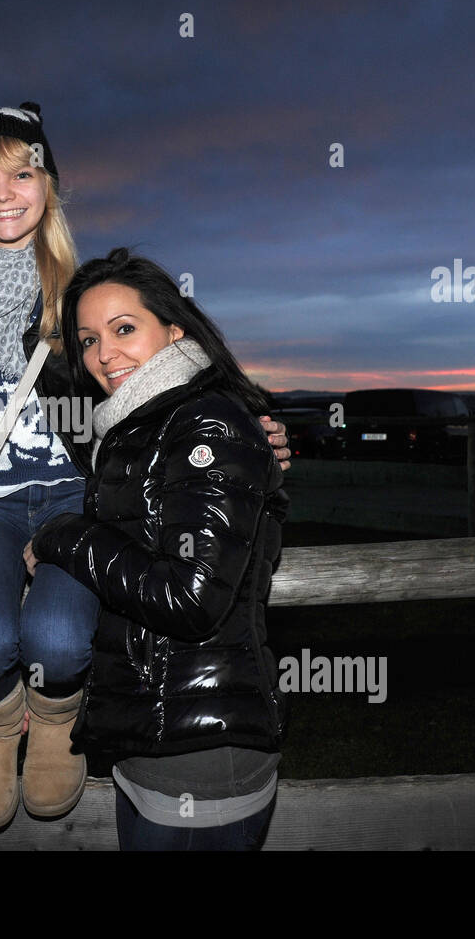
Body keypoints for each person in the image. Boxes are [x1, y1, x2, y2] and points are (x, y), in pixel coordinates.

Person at [0, 103, 291, 831]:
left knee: (63, 638)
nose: (4, 192)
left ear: (49, 185)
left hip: (80, 496)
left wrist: (249, 427)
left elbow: (158, 379)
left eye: (22, 171)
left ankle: (54, 726)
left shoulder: (79, 293)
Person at [26, 248, 288, 850]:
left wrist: (62, 534)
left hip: (200, 748)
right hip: (155, 735)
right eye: (88, 340)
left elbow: (189, 598)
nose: (103, 355)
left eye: (124, 329)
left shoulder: (205, 424)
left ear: (175, 330)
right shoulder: (143, 426)